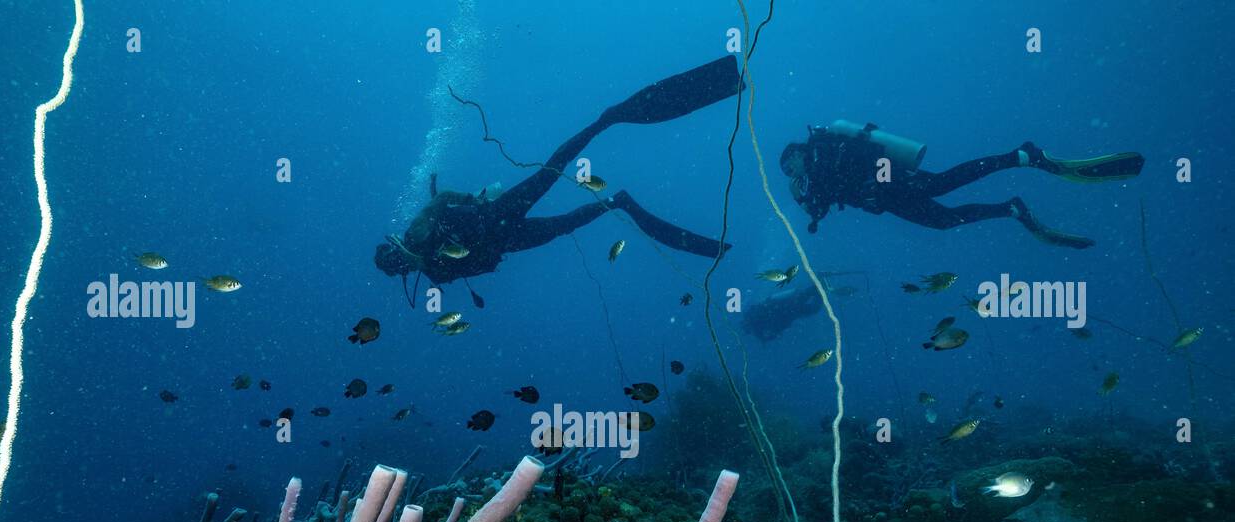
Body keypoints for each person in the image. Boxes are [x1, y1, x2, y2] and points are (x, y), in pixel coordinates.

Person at [374, 56, 741, 297]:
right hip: (508, 240)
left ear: (396, 249)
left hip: (496, 212)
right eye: (397, 268)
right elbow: (478, 267)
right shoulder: (436, 275)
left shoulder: (417, 232)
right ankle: (617, 201)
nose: (401, 263)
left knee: (553, 169)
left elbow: (439, 200)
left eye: (396, 258)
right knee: (564, 223)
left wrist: (473, 201)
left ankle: (606, 120)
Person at [780, 121, 1144, 249]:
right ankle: (1011, 209)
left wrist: (880, 183)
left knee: (939, 184)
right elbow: (819, 215)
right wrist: (800, 200)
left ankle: (1022, 155)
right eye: (787, 173)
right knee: (942, 222)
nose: (792, 172)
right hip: (886, 201)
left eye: (789, 164)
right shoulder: (814, 181)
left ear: (797, 152)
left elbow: (870, 154)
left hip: (888, 181)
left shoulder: (824, 148)